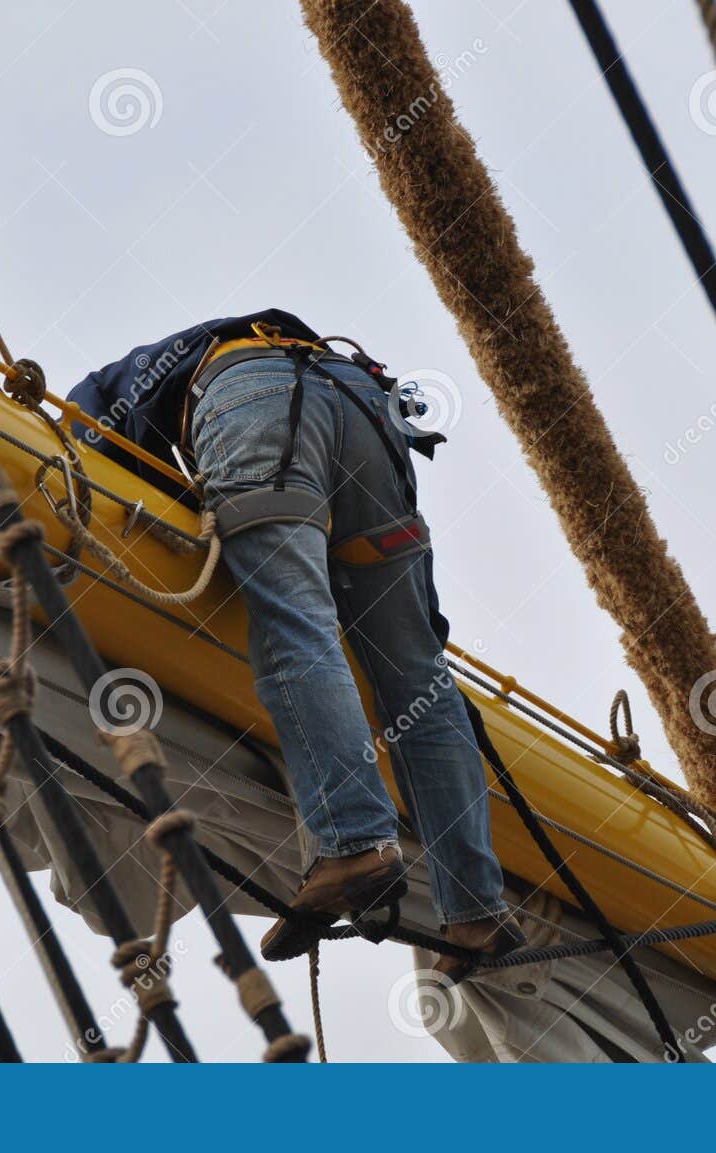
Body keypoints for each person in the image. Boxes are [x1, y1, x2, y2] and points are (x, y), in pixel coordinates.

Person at [72, 314, 521, 975]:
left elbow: (94, 454)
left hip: (251, 402)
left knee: (296, 623)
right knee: (419, 677)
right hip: (368, 408)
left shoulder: (105, 388)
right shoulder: (197, 347)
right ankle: (477, 908)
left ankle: (353, 843)